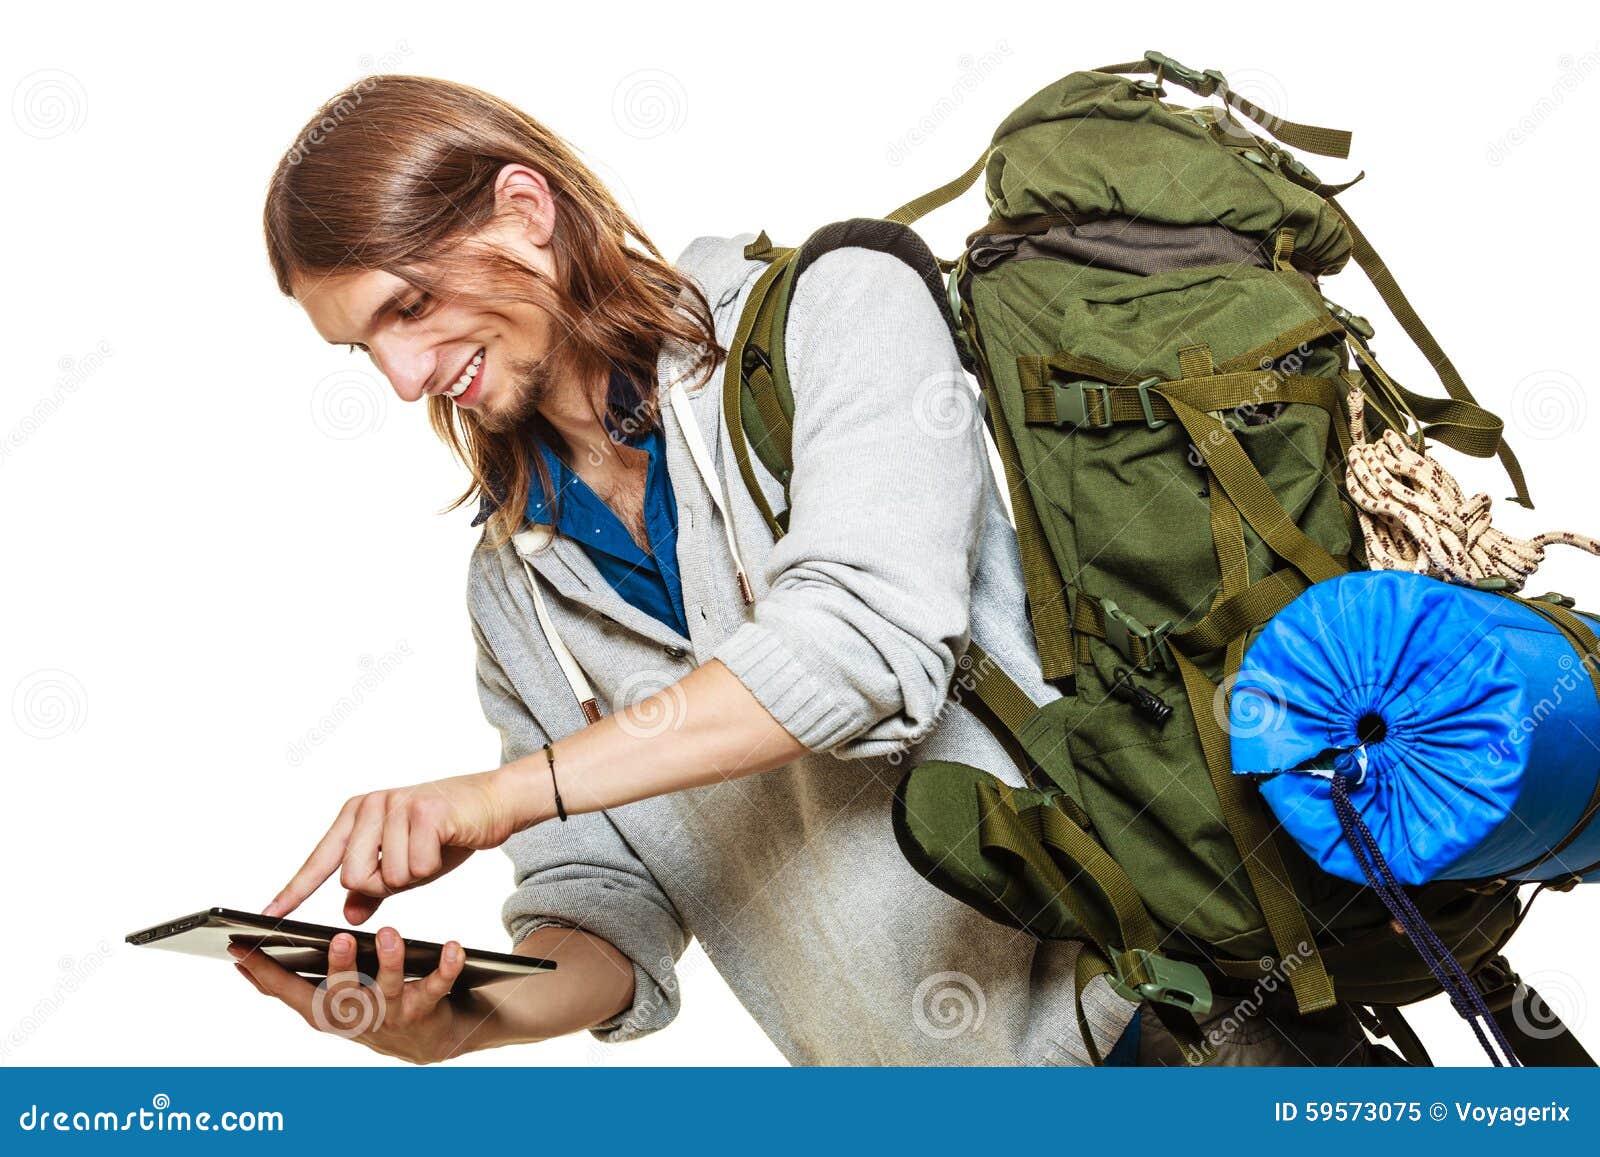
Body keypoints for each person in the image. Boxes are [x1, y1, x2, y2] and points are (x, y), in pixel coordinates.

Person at [242, 75, 1387, 1067]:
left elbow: (861, 645)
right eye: (363, 346)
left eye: (411, 305)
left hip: (1158, 1039)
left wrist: (498, 794)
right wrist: (464, 1015)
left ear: (524, 212)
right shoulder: (514, 584)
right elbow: (602, 894)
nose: (403, 377)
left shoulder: (837, 305)